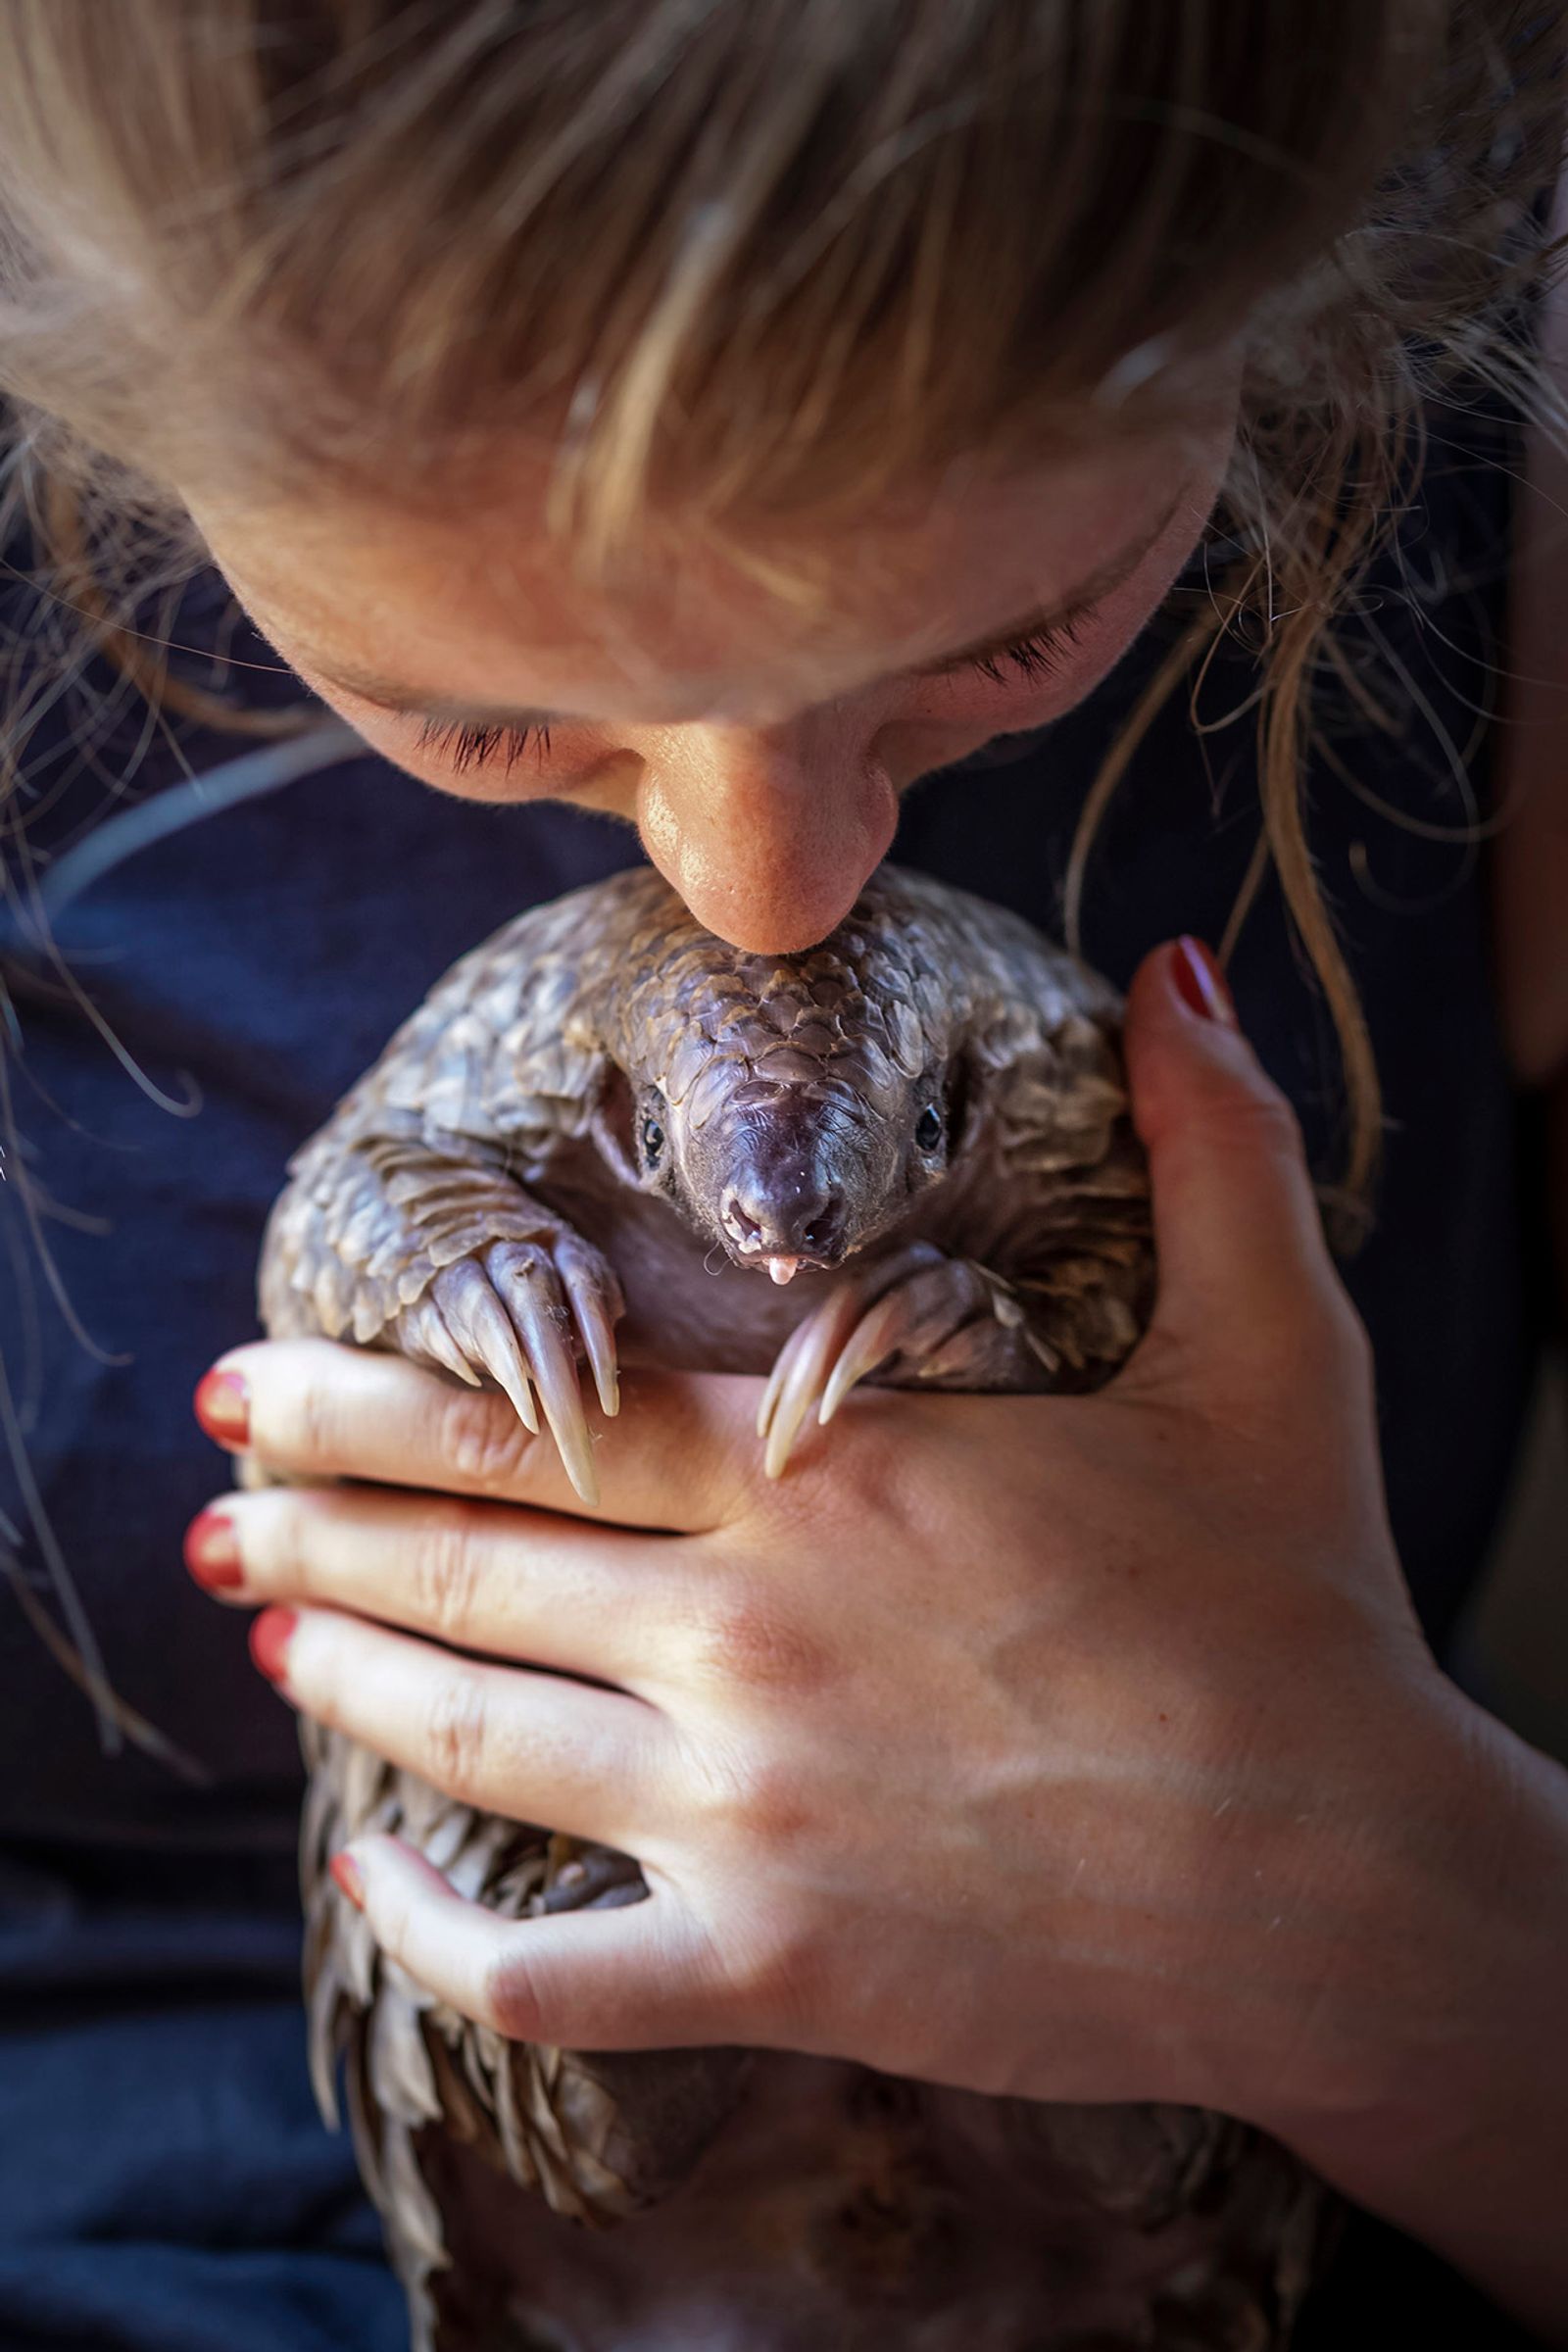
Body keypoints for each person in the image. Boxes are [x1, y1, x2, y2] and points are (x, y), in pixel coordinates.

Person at [0, 5, 1565, 2347]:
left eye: (1008, 632)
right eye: (486, 708)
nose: (766, 891)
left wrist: (1394, 1933)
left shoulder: (1507, 458)